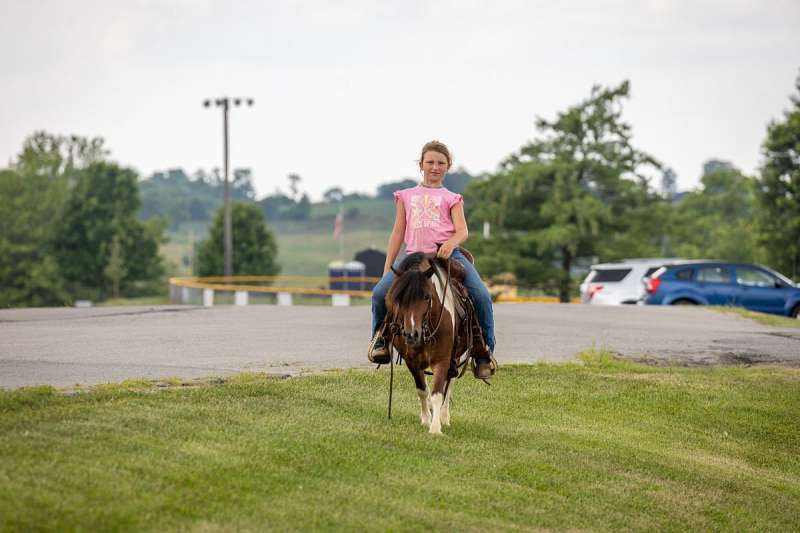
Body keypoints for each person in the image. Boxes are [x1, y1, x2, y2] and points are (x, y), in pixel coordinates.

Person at [368, 140, 496, 379]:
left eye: (441, 163)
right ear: (421, 165)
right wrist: (388, 267)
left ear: (448, 167)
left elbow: (462, 231)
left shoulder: (452, 198)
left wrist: (449, 244)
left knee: (481, 295)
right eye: (430, 162)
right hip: (413, 257)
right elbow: (398, 232)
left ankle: (484, 352)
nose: (435, 167)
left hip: (447, 255)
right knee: (378, 294)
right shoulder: (405, 196)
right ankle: (380, 340)